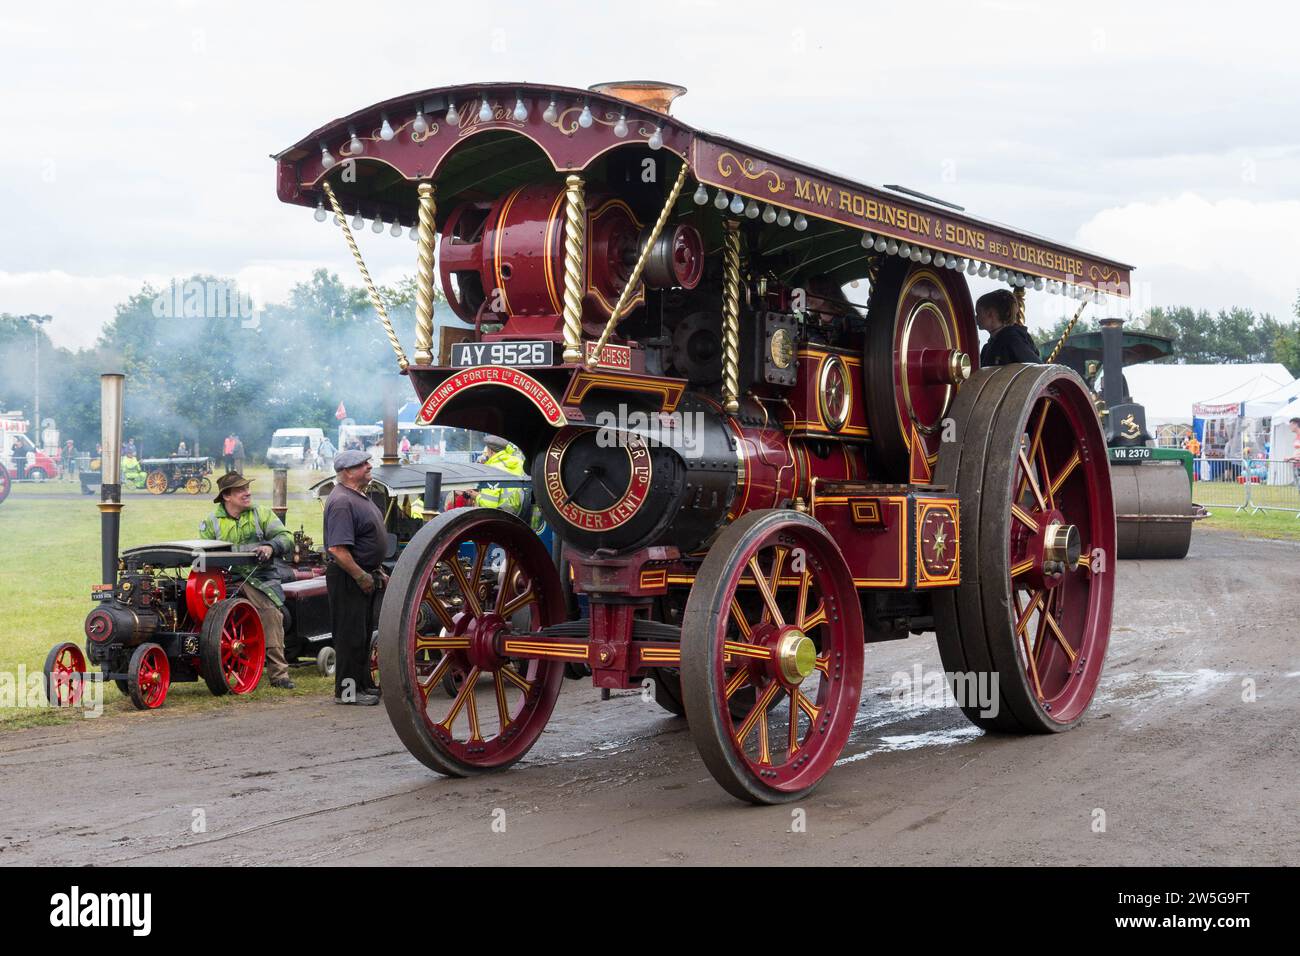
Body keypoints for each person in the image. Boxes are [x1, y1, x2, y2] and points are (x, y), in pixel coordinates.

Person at [199, 472, 296, 690]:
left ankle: (279, 674)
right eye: (241, 490)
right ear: (227, 496)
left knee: (270, 615)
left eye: (247, 488)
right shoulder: (211, 522)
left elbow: (286, 537)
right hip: (225, 580)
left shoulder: (261, 514)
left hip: (259, 579)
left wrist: (271, 547)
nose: (247, 493)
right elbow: (203, 556)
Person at [323, 450, 387, 705]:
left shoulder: (359, 496)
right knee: (349, 637)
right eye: (363, 464)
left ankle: (362, 686)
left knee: (361, 635)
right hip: (348, 577)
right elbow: (337, 549)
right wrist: (361, 575)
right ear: (347, 472)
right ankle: (347, 694)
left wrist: (377, 570)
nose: (369, 466)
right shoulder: (341, 502)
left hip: (363, 575)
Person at [975, 290, 1039, 366]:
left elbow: (1034, 370)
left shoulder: (1012, 340)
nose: (976, 317)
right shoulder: (989, 347)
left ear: (991, 314)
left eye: (978, 313)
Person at [465, 436, 524, 513]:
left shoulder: (492, 470)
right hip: (519, 513)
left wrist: (476, 496)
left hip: (501, 516)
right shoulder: (519, 462)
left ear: (490, 451)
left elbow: (489, 505)